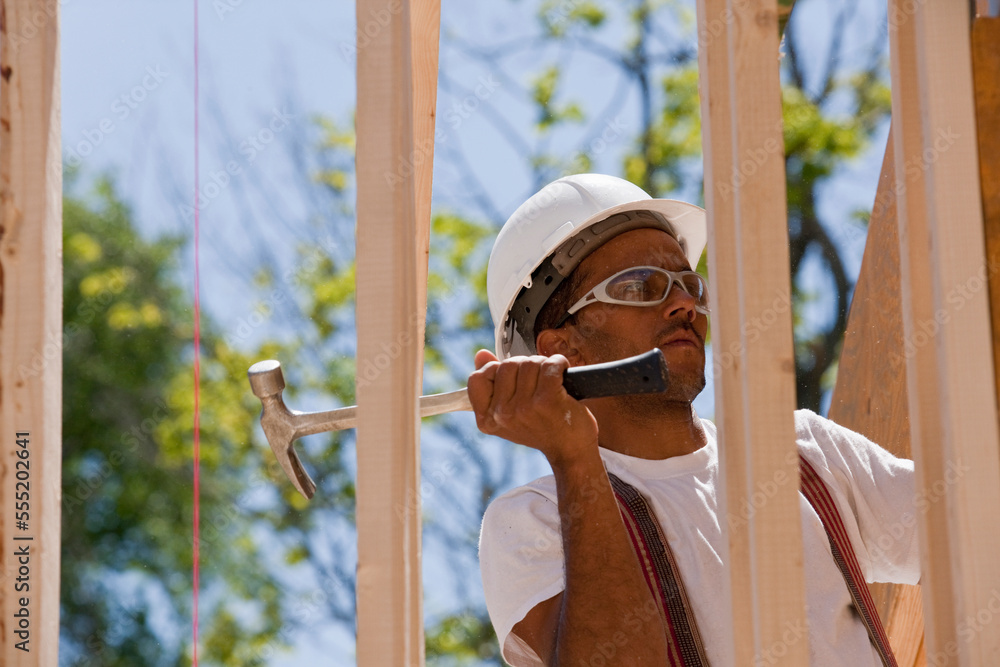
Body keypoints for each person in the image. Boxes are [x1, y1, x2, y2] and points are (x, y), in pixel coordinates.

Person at [468, 173, 919, 666]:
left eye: (689, 284)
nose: (684, 303)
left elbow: (979, 535)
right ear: (563, 349)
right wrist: (575, 459)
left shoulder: (802, 452)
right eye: (641, 286)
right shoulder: (532, 519)